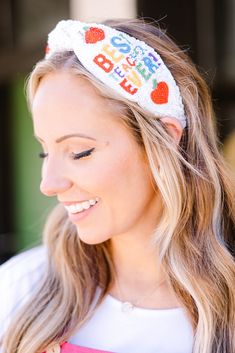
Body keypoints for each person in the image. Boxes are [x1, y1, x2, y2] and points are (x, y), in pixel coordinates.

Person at [0, 18, 234, 353]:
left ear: (164, 140)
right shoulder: (20, 289)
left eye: (79, 152)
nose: (48, 184)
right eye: (44, 151)